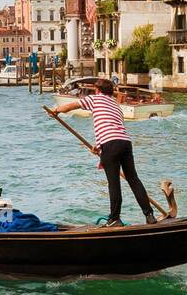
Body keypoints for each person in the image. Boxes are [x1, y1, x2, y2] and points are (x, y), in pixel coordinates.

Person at [54, 77, 155, 227]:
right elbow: (112, 127)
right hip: (125, 142)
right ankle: (149, 215)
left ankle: (114, 219)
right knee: (134, 179)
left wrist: (56, 111)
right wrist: (99, 145)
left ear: (98, 90)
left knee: (113, 183)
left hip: (111, 144)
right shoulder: (116, 105)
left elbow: (72, 106)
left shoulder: (95, 99)